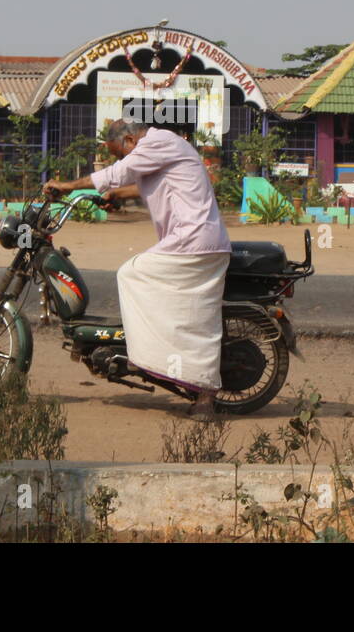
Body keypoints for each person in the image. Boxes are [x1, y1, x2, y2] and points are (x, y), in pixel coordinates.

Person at [42, 117, 231, 421]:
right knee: (179, 305)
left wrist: (68, 186)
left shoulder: (158, 142)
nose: (123, 158)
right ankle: (159, 357)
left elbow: (120, 173)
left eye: (120, 152)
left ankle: (152, 361)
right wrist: (115, 195)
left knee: (131, 274)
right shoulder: (163, 147)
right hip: (196, 241)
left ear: (130, 140)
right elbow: (144, 185)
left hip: (192, 242)